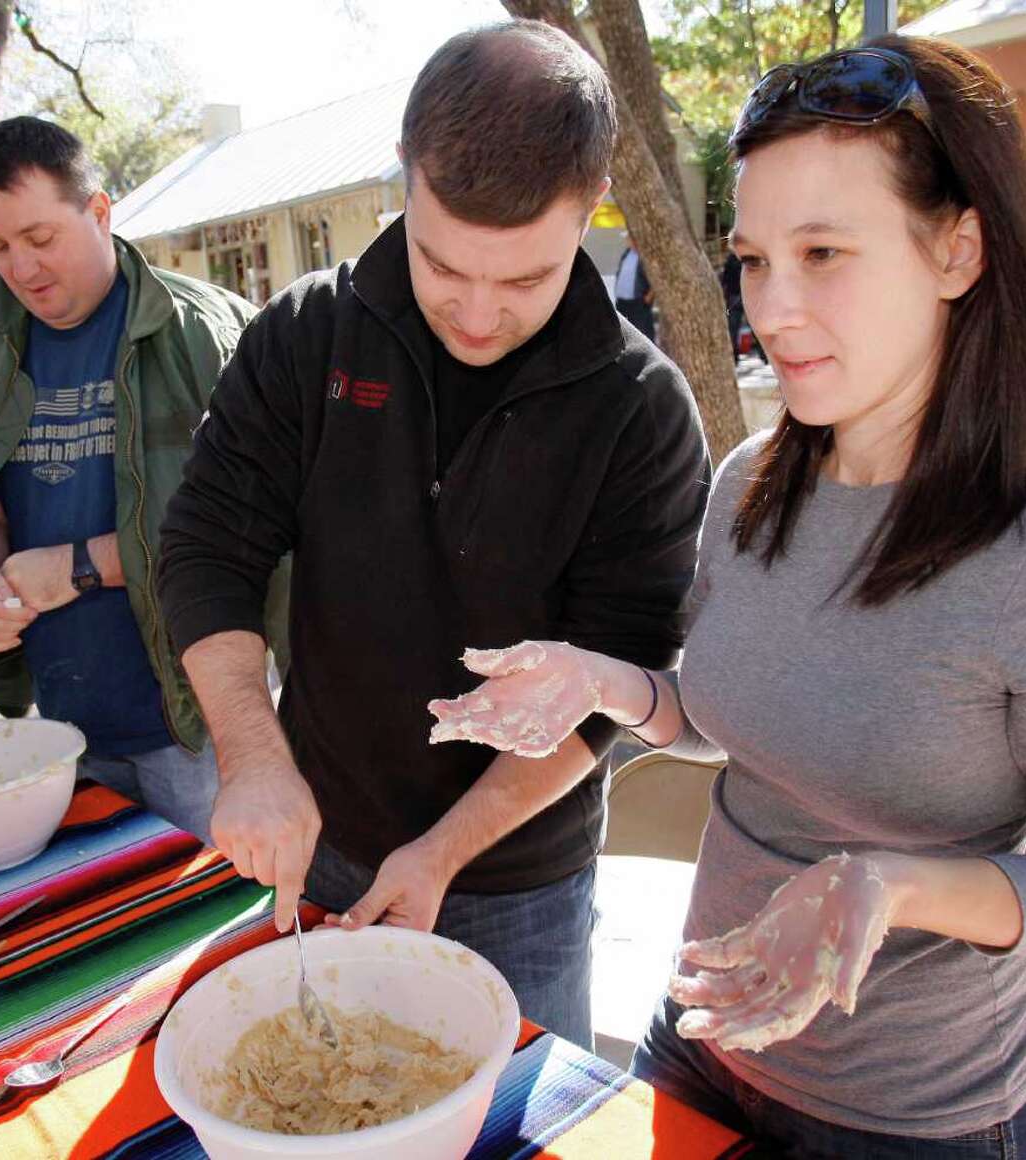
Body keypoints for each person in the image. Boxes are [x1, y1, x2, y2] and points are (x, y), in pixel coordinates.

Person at [428, 35, 1026, 1157]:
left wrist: (892, 884)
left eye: (824, 251)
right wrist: (607, 685)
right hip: (698, 1043)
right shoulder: (754, 482)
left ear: (958, 249)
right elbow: (728, 712)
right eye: (752, 257)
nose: (772, 307)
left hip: (915, 1120)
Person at [156, 20, 708, 1049]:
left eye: (525, 280)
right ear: (405, 181)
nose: (480, 313)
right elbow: (206, 546)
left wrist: (447, 848)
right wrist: (252, 752)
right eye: (445, 265)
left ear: (591, 213)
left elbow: (619, 676)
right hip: (315, 838)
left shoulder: (644, 410)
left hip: (520, 882)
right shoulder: (307, 332)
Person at [0, 117, 285, 843]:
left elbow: (264, 520)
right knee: (119, 938)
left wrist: (81, 567)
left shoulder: (207, 332)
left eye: (40, 238)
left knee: (221, 931)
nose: (19, 269)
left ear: (98, 211)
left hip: (200, 725)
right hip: (63, 728)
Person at [614, 231, 655, 340]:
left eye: (629, 238)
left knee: (641, 336)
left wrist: (649, 297)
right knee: (623, 334)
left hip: (638, 302)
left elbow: (655, 277)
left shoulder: (645, 256)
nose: (627, 241)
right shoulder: (626, 253)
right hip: (622, 303)